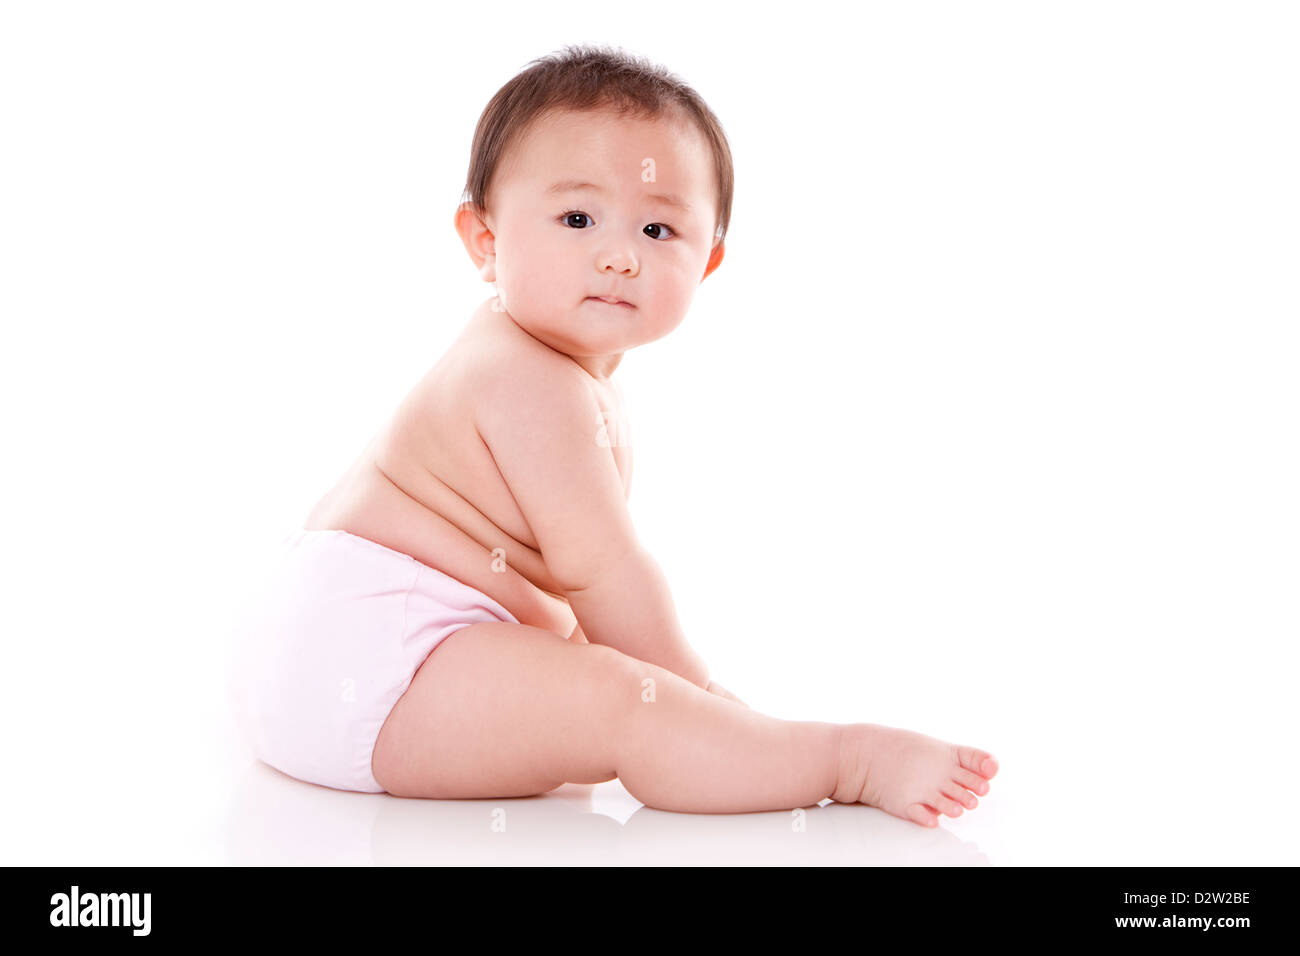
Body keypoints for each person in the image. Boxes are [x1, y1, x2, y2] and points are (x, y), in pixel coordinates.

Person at [226, 44, 998, 824]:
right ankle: (842, 758)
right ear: (485, 240)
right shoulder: (526, 381)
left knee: (598, 688)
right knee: (631, 702)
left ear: (708, 263)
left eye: (659, 230)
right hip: (370, 667)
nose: (620, 255)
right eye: (577, 218)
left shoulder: (544, 364)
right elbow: (605, 576)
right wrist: (702, 702)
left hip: (348, 668)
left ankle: (716, 740)